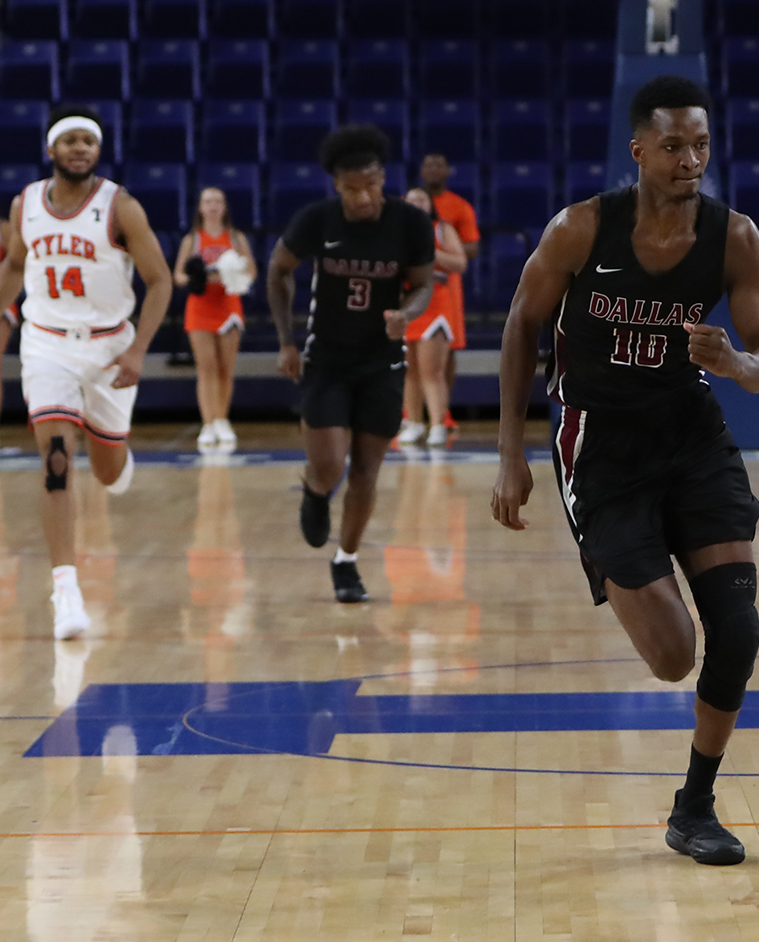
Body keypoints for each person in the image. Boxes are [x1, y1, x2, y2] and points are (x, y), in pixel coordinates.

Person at [490, 76, 759, 868]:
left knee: (740, 628)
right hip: (599, 444)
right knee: (671, 655)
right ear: (640, 150)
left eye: (702, 145)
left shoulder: (735, 238)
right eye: (676, 146)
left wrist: (740, 364)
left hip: (690, 436)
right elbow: (521, 326)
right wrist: (513, 450)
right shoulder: (582, 229)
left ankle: (695, 805)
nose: (692, 160)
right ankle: (618, 557)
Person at [0, 106, 172, 640]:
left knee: (105, 469)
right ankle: (66, 589)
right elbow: (12, 267)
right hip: (46, 343)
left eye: (88, 142)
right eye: (70, 140)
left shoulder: (120, 206)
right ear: (51, 149)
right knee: (55, 457)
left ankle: (116, 457)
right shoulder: (25, 203)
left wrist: (139, 351)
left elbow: (160, 280)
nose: (80, 149)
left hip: (107, 349)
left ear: (98, 150)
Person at [267, 125, 436, 603]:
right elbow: (279, 270)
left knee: (366, 470)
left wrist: (407, 313)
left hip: (382, 361)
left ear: (383, 179)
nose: (364, 196)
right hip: (327, 358)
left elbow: (423, 284)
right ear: (336, 185)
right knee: (329, 463)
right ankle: (316, 492)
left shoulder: (409, 223)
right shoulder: (316, 220)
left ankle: (346, 562)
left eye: (372, 185)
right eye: (352, 188)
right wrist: (285, 340)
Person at [173, 186, 253, 449]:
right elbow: (179, 275)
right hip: (201, 307)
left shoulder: (237, 238)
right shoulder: (192, 240)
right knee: (206, 368)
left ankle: (222, 419)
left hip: (229, 307)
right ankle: (208, 423)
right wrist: (197, 278)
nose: (213, 205)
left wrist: (235, 277)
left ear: (224, 206)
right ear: (200, 207)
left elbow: (251, 271)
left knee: (225, 368)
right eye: (208, 201)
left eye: (218, 200)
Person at [397, 187, 468, 447]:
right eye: (412, 199)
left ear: (430, 205)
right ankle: (414, 423)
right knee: (409, 371)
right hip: (407, 303)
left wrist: (429, 251)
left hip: (437, 304)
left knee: (432, 371)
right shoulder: (396, 230)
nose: (416, 203)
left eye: (422, 199)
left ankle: (438, 424)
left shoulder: (441, 229)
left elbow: (460, 263)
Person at [418, 152, 480, 429]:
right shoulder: (411, 205)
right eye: (427, 164)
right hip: (414, 284)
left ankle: (443, 412)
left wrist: (440, 249)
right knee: (410, 352)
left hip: (446, 286)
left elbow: (472, 247)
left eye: (438, 164)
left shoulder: (458, 207)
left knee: (447, 349)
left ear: (447, 171)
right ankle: (413, 415)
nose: (432, 169)